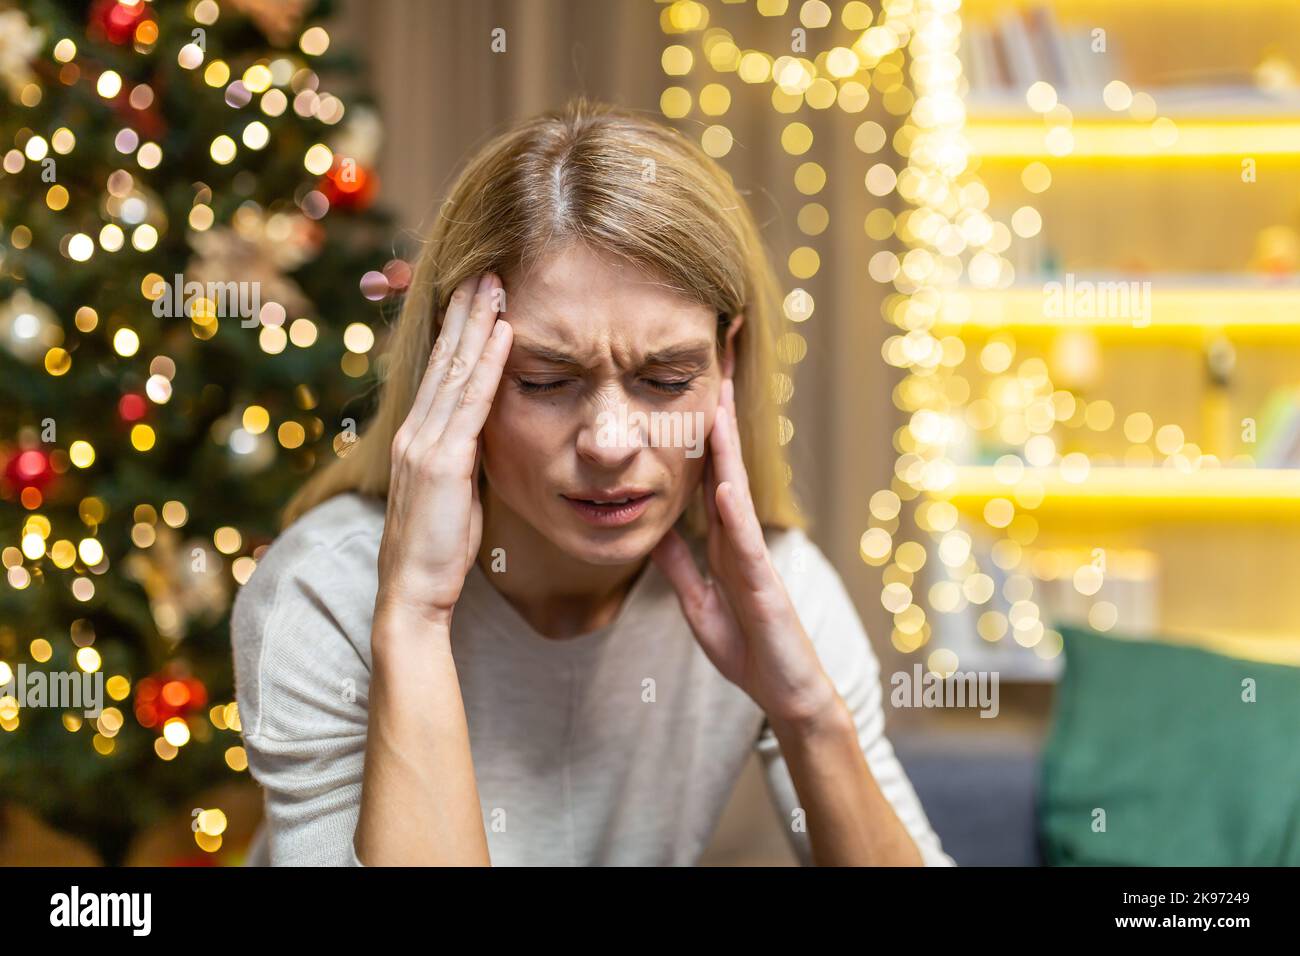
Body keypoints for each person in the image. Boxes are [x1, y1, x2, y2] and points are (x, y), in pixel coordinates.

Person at [231, 97, 954, 867]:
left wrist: (809, 714)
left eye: (668, 378)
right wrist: (411, 618)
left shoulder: (775, 591)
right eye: (545, 381)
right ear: (454, 370)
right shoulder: (321, 594)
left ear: (727, 364)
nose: (610, 443)